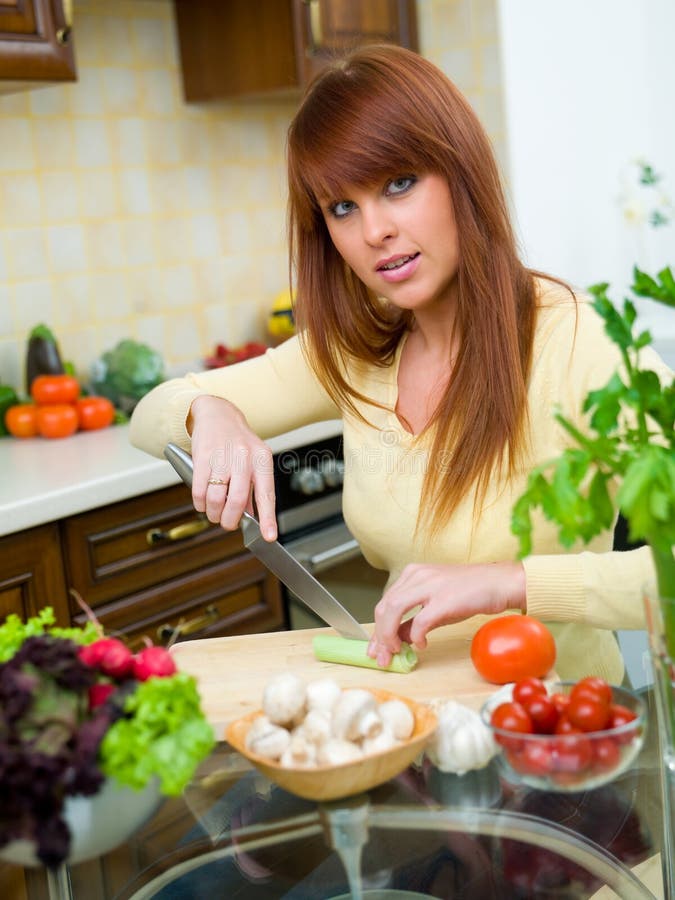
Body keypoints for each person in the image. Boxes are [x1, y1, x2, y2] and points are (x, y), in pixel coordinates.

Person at [130, 44, 670, 684]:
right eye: (342, 207)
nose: (374, 231)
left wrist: (512, 583)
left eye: (399, 184)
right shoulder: (355, 350)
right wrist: (208, 410)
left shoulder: (578, 340)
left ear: (461, 174)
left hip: (558, 736)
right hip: (411, 738)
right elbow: (148, 417)